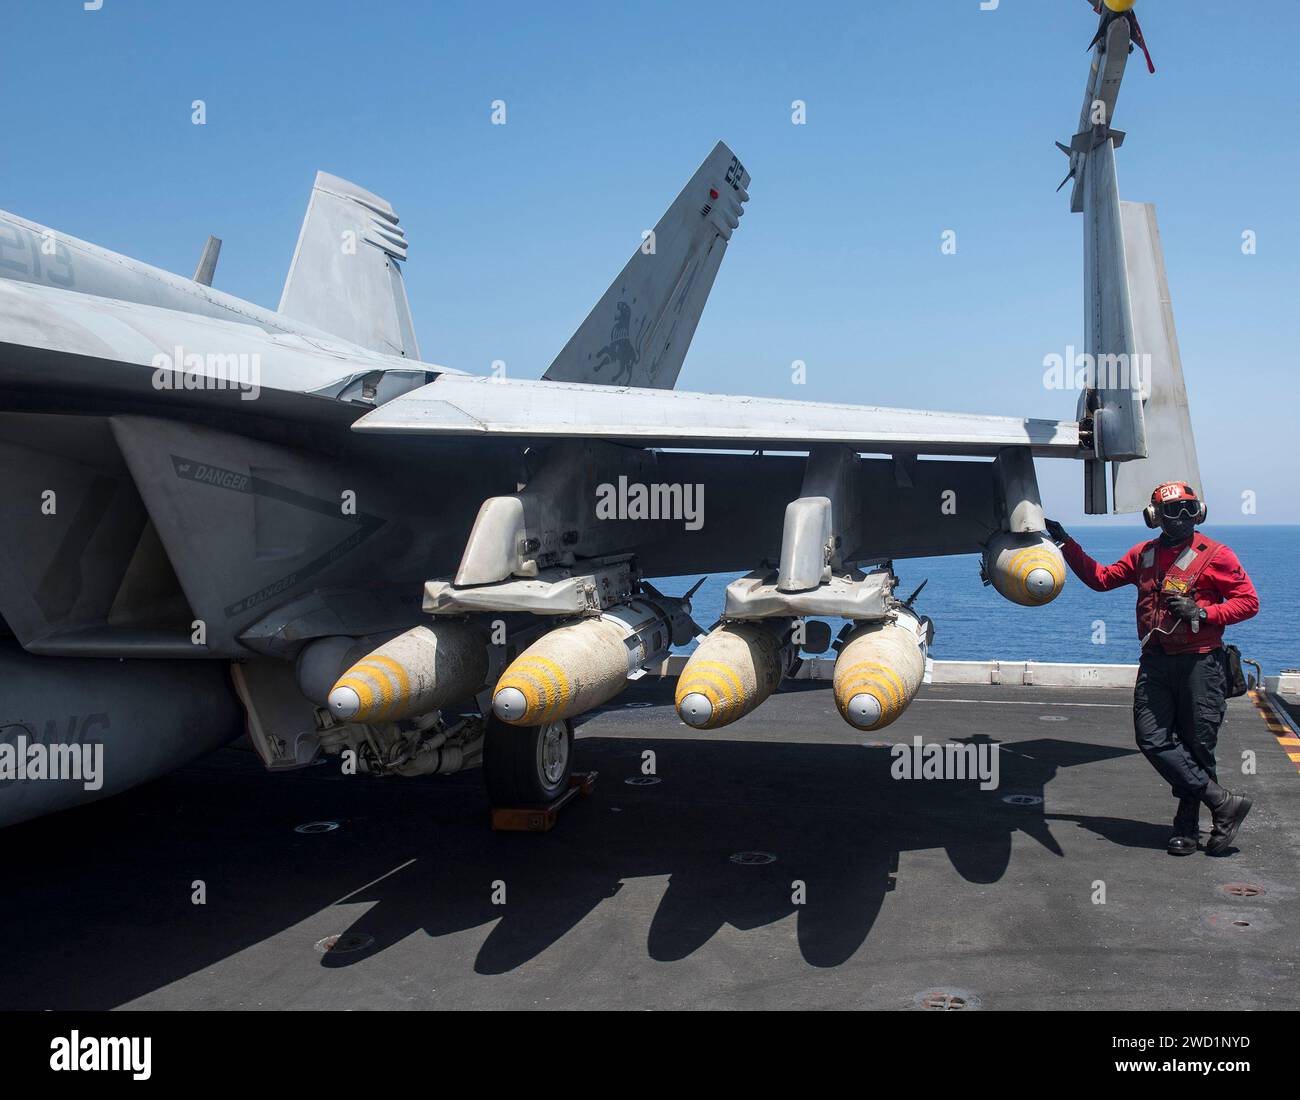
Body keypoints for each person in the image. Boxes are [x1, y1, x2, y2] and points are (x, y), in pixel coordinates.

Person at [1045, 482, 1259, 856]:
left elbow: (1248, 602)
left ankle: (1188, 830)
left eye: (1187, 509)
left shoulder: (1216, 555)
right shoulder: (1144, 555)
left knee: (1197, 747)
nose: (1181, 518)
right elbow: (1101, 579)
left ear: (1199, 512)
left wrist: (1205, 612)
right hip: (1156, 662)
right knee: (1152, 738)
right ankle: (1223, 803)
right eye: (1171, 510)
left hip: (1202, 663)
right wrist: (1065, 543)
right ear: (1154, 517)